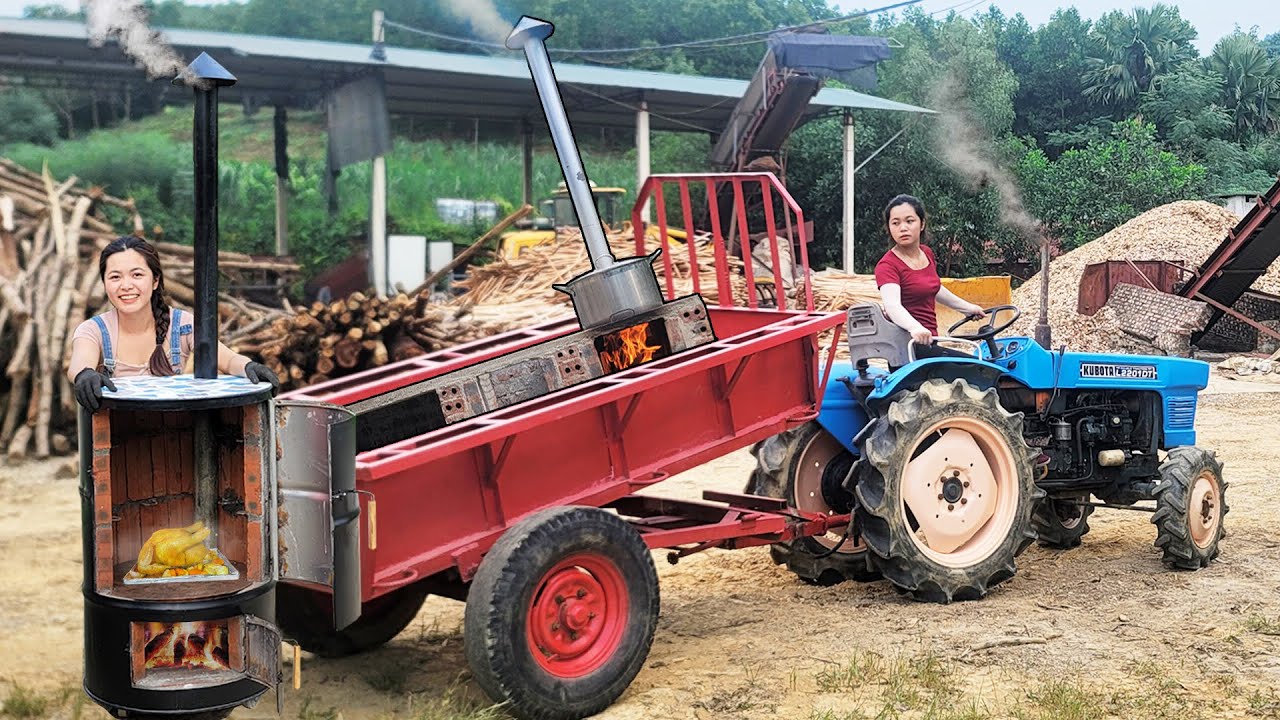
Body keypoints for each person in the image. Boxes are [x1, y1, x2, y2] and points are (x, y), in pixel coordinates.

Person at [67, 236, 279, 411]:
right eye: (115, 277)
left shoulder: (183, 325)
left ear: (155, 280)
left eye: (137, 275)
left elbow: (228, 359)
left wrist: (249, 366)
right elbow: (79, 364)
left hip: (174, 439)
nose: (126, 286)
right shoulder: (93, 330)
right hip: (117, 441)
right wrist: (85, 375)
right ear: (104, 283)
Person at [874, 195, 986, 357]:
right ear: (889, 228)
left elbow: (934, 287)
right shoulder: (887, 266)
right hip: (908, 347)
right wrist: (915, 328)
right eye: (896, 223)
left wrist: (968, 308)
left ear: (922, 224)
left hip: (931, 341)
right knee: (977, 368)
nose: (903, 228)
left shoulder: (927, 253)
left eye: (909, 221)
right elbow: (893, 307)